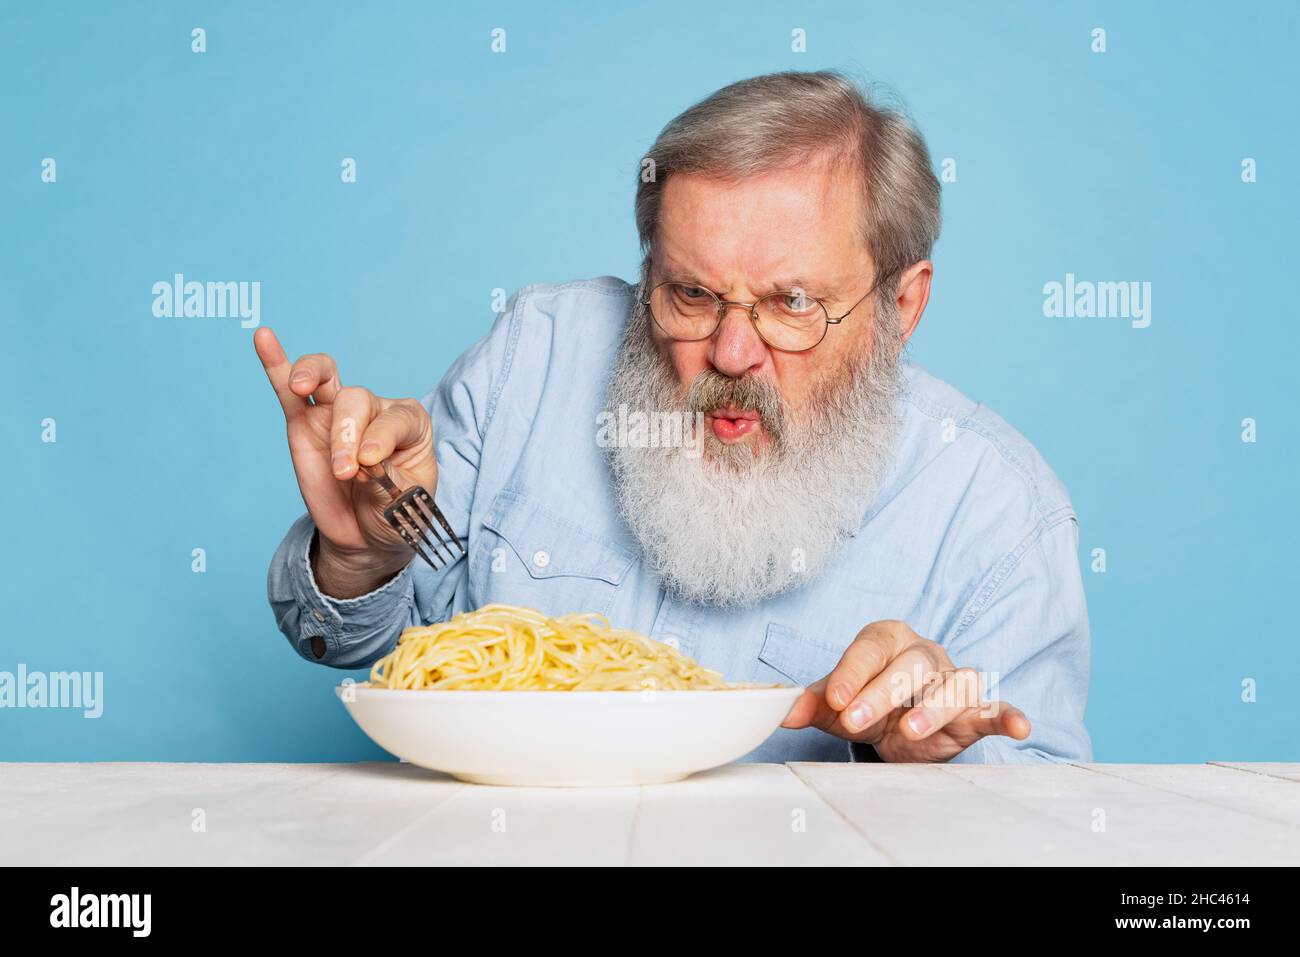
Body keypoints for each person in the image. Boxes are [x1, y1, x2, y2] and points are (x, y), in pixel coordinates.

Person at [258, 70, 1091, 764]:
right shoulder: (536, 357)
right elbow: (370, 650)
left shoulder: (998, 516)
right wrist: (362, 557)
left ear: (902, 305)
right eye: (691, 293)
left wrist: (918, 758)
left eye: (791, 303)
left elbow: (1045, 821)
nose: (731, 353)